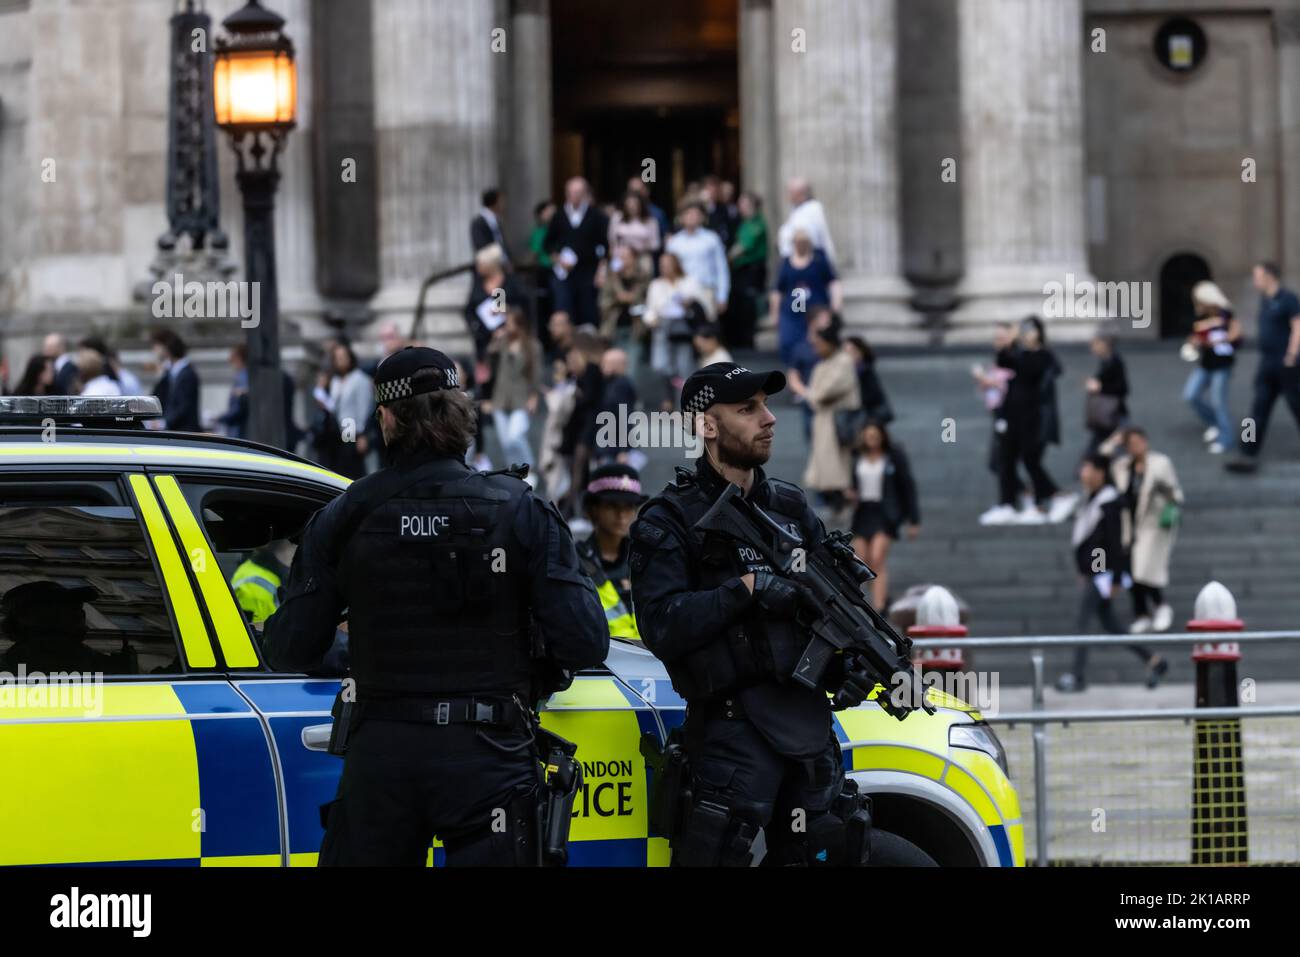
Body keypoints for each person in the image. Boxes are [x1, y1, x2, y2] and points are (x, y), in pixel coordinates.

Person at [261, 346, 608, 866]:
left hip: (384, 758)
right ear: (462, 411)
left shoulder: (346, 514)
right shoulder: (521, 509)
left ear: (386, 418)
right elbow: (585, 642)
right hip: (490, 759)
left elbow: (289, 648)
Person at [629, 363, 933, 867]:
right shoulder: (671, 518)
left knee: (828, 853)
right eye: (747, 409)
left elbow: (837, 607)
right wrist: (746, 590)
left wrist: (848, 667)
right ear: (706, 425)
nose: (768, 419)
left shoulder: (790, 507)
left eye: (767, 405)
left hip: (808, 737)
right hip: (731, 738)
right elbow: (661, 624)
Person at [1056, 453, 1165, 693]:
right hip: (1097, 572)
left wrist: (1114, 577)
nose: (1083, 473)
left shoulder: (1110, 503)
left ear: (1100, 473)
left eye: (1087, 467)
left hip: (1104, 573)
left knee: (1082, 623)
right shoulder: (1093, 500)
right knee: (1111, 624)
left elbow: (1117, 544)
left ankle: (1077, 677)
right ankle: (1154, 660)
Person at [985, 316, 1076, 525]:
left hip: (1034, 421)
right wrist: (1010, 342)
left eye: (1030, 330)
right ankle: (1021, 503)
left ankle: (1054, 497)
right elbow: (1003, 361)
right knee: (1009, 460)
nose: (1026, 334)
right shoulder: (1022, 354)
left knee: (1030, 461)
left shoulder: (1043, 356)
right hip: (1015, 419)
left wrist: (1021, 345)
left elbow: (1034, 369)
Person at [1227, 262, 1300, 473]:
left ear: (1270, 276)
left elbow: (1297, 326)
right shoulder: (1265, 300)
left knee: (1297, 407)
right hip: (1267, 364)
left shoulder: (1288, 299)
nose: (1255, 280)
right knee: (1256, 411)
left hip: (1286, 364)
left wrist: (1291, 355)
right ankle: (1246, 453)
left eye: (1257, 276)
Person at [1110, 427, 1183, 635]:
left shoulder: (1160, 463)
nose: (1135, 447)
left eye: (1138, 442)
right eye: (1129, 444)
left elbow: (1175, 493)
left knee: (1143, 569)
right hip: (1128, 524)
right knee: (1130, 571)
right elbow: (1100, 458)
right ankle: (1141, 613)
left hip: (1152, 524)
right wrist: (1113, 443)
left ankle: (1161, 606)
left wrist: (1163, 491)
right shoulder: (1122, 466)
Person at [848, 420, 920, 611]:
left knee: (877, 557)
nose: (872, 440)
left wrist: (914, 520)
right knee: (860, 559)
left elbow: (907, 487)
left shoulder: (893, 457)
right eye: (869, 436)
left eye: (876, 436)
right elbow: (851, 481)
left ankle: (878, 607)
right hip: (863, 511)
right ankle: (882, 597)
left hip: (884, 512)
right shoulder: (857, 457)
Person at [576, 463, 645, 642]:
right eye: (612, 505)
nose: (621, 514)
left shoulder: (648, 558)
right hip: (602, 663)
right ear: (593, 509)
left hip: (651, 661)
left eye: (629, 506)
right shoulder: (576, 562)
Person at [644, 251, 714, 405]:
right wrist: (652, 320)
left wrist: (689, 305)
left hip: (684, 331)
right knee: (663, 366)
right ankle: (667, 399)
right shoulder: (656, 285)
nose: (664, 268)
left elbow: (704, 307)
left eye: (668, 265)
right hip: (663, 329)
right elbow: (650, 310)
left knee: (684, 366)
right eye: (662, 265)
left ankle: (685, 401)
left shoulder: (690, 282)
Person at [802, 324, 859, 512]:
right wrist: (813, 395)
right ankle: (836, 505)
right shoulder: (822, 364)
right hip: (824, 421)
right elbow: (815, 396)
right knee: (827, 470)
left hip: (838, 421)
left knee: (840, 468)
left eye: (820, 343)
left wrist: (812, 394)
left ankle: (843, 505)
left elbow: (824, 392)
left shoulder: (843, 361)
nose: (817, 348)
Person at [1183, 281, 1241, 456]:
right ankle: (1215, 423)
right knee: (1190, 395)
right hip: (1206, 364)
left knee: (1218, 402)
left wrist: (1220, 340)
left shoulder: (1226, 314)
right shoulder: (1200, 316)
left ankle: (1226, 439)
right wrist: (1193, 343)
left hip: (1222, 365)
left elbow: (1236, 333)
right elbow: (1194, 336)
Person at [543, 177, 609, 330]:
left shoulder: (596, 216)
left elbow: (604, 245)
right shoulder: (559, 215)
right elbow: (548, 244)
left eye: (579, 192)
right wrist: (558, 259)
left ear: (585, 193)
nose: (575, 196)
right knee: (564, 309)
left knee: (588, 310)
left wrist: (601, 270)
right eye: (572, 192)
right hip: (565, 273)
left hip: (588, 271)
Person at [482, 307, 541, 474]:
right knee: (506, 442)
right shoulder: (503, 342)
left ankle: (528, 466)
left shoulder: (532, 346)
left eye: (509, 323)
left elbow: (535, 373)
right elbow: (489, 354)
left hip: (521, 396)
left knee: (515, 436)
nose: (506, 326)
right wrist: (495, 338)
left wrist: (534, 396)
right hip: (500, 396)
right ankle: (514, 473)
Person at [771, 229, 841, 369]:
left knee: (815, 344)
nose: (801, 245)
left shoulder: (819, 260)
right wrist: (775, 313)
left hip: (815, 313)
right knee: (788, 343)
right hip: (792, 315)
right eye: (798, 242)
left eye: (804, 242)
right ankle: (793, 375)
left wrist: (836, 305)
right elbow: (777, 290)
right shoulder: (786, 263)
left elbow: (833, 282)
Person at [465, 243, 529, 365]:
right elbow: (469, 310)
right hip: (485, 340)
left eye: (481, 264)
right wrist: (477, 327)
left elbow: (524, 305)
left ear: (491, 265)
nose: (478, 268)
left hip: (510, 338)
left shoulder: (511, 282)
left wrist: (508, 309)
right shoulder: (478, 284)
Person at [666, 200, 730, 315]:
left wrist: (722, 296)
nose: (692, 217)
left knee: (707, 329)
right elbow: (669, 270)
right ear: (681, 218)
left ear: (702, 218)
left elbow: (722, 268)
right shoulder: (674, 242)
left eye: (695, 214)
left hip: (706, 290)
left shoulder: (712, 239)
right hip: (681, 293)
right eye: (688, 214)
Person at [326, 341, 374, 479]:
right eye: (337, 358)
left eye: (343, 357)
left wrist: (362, 434)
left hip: (352, 430)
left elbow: (364, 408)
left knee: (352, 470)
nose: (340, 361)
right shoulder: (335, 380)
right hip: (336, 431)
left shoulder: (360, 379)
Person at [727, 190, 769, 349]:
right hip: (741, 272)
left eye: (743, 204)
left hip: (751, 271)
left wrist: (726, 258)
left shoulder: (757, 223)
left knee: (750, 306)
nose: (740, 207)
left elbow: (743, 246)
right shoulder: (744, 223)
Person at [597, 243, 649, 360]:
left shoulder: (643, 277)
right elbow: (602, 302)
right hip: (614, 327)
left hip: (636, 328)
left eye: (625, 257)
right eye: (620, 257)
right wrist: (618, 298)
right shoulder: (612, 278)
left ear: (634, 258)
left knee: (632, 367)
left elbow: (649, 301)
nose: (622, 260)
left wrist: (633, 298)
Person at [1084, 331, 1129, 456]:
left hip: (1113, 415)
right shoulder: (1107, 361)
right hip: (1107, 416)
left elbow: (1122, 388)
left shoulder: (1114, 362)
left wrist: (1100, 387)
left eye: (1095, 344)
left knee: (1114, 454)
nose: (1092, 347)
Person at [150, 329, 201, 432]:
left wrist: (164, 423)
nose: (154, 350)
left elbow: (184, 406)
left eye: (156, 345)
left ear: (166, 348)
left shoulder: (188, 374)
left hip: (185, 432)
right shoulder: (170, 372)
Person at [777, 177, 837, 265]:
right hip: (792, 260)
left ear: (801, 193)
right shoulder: (796, 209)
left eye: (791, 192)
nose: (789, 196)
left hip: (806, 262)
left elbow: (810, 237)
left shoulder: (813, 209)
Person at [608, 191, 661, 277]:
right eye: (629, 203)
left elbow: (656, 244)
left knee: (643, 279)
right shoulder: (617, 218)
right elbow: (612, 241)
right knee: (614, 280)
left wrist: (638, 248)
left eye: (634, 203)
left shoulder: (650, 221)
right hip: (620, 257)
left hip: (642, 258)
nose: (632, 206)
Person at [470, 187, 511, 266]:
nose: (504, 204)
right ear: (495, 202)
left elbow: (502, 242)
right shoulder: (479, 222)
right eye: (501, 200)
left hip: (502, 265)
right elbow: (481, 246)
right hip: (491, 266)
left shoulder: (496, 220)